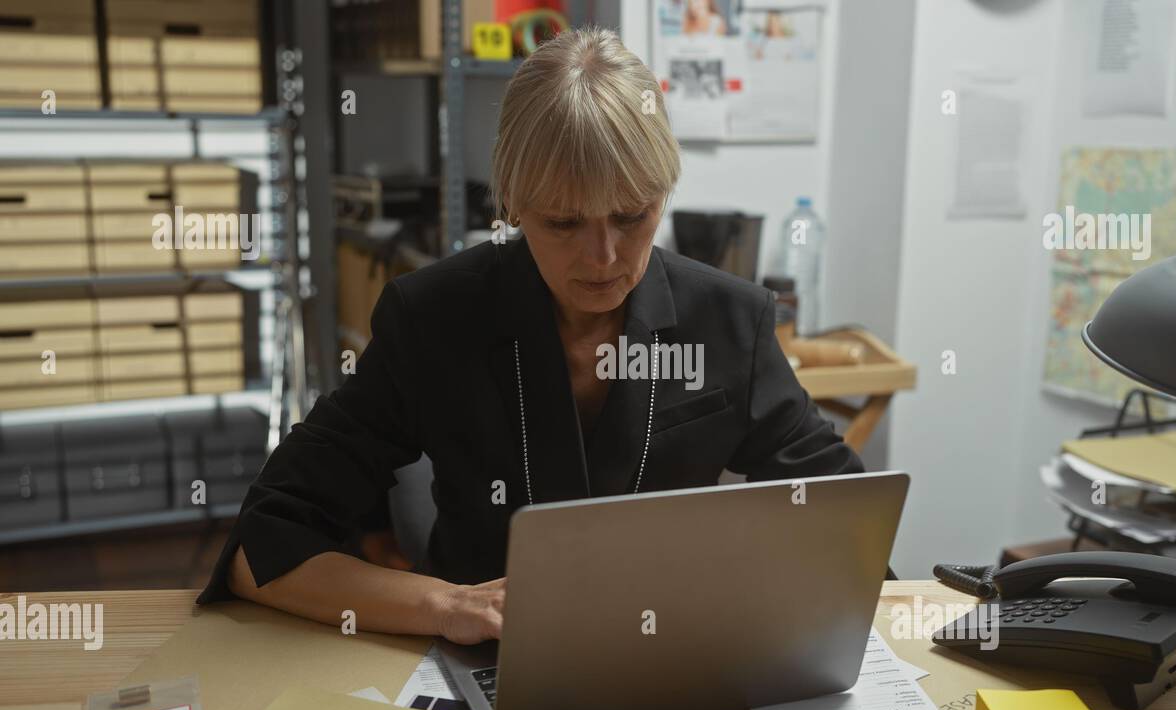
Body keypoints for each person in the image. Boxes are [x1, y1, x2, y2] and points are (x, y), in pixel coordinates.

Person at [198, 26, 863, 642]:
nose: (603, 257)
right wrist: (447, 605)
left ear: (664, 193)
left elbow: (846, 521)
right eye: (564, 223)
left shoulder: (731, 319)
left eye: (631, 216)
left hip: (672, 652)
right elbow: (264, 544)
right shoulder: (432, 318)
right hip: (482, 659)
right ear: (512, 203)